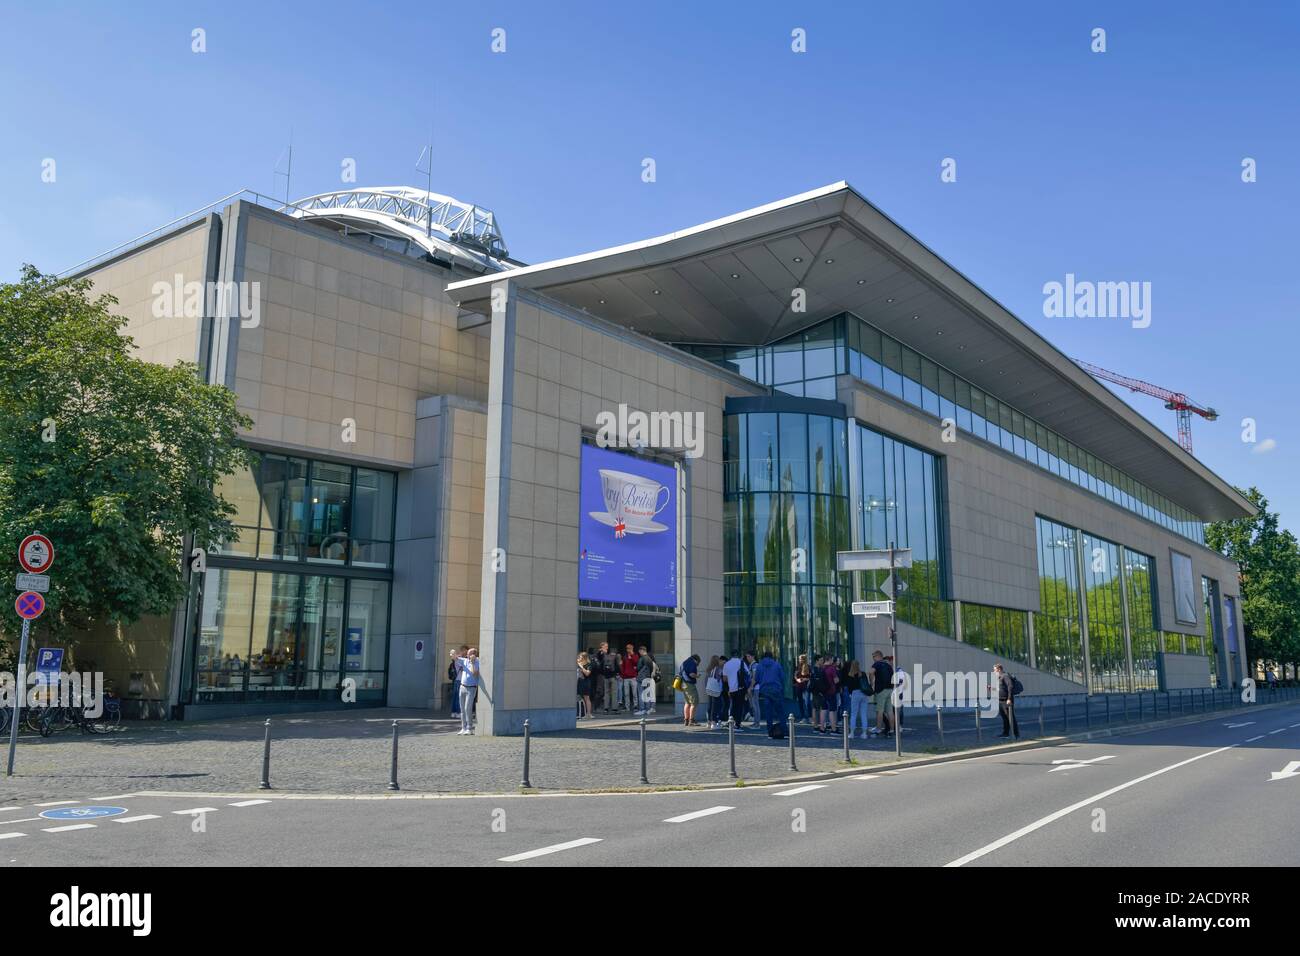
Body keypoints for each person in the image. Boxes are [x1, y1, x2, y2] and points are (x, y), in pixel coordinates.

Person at [751, 649, 787, 736]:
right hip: (776, 690)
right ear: (772, 656)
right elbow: (782, 677)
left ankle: (770, 732)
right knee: (780, 711)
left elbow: (757, 679)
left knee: (768, 712)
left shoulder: (759, 666)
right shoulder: (777, 664)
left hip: (765, 691)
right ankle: (784, 731)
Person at [456, 648, 480, 735]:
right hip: (462, 687)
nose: (467, 656)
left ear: (474, 655)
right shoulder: (465, 661)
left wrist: (473, 663)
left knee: (467, 708)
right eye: (467, 654)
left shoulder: (478, 662)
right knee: (462, 709)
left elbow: (475, 673)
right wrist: (453, 654)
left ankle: (470, 728)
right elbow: (455, 658)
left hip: (471, 688)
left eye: (469, 654)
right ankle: (463, 727)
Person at [846, 660, 872, 738]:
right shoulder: (863, 674)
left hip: (855, 694)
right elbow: (866, 684)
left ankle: (852, 733)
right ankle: (864, 734)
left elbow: (849, 688)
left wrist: (851, 694)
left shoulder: (850, 675)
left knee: (853, 714)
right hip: (864, 694)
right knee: (863, 714)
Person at [992, 663, 1019, 739]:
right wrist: (991, 688)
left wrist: (1009, 698)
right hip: (1000, 701)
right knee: (1004, 718)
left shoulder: (1005, 676)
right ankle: (1005, 733)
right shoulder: (999, 678)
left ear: (999, 669)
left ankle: (1016, 734)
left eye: (994, 670)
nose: (994, 672)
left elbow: (1010, 686)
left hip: (1006, 701)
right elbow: (999, 689)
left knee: (1010, 717)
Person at [722, 650, 748, 729]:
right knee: (739, 706)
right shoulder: (741, 663)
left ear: (731, 655)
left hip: (731, 688)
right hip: (741, 688)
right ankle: (738, 723)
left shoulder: (727, 664)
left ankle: (731, 722)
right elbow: (747, 674)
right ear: (738, 655)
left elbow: (724, 679)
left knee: (732, 705)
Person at [870, 650, 894, 737]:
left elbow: (871, 672)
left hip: (881, 690)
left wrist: (871, 682)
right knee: (890, 711)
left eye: (874, 656)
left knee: (879, 711)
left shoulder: (877, 664)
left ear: (878, 656)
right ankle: (891, 730)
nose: (873, 659)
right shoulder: (888, 665)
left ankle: (878, 729)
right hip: (889, 689)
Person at [704, 655, 727, 728]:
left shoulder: (709, 669)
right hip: (715, 690)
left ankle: (709, 722)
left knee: (710, 705)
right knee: (716, 706)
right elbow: (719, 679)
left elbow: (706, 679)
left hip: (709, 689)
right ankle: (714, 722)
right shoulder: (718, 669)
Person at [819, 656, 840, 735]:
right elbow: (836, 680)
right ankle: (833, 729)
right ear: (830, 659)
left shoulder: (821, 668)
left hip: (823, 691)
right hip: (831, 691)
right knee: (832, 710)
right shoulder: (832, 668)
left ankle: (822, 728)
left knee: (823, 709)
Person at [678, 653, 701, 726]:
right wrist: (697, 676)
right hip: (689, 684)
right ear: (696, 660)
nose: (697, 665)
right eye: (698, 663)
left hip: (683, 684)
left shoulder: (684, 662)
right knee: (694, 702)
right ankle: (692, 720)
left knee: (687, 702)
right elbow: (691, 674)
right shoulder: (692, 663)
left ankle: (686, 720)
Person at [744, 651, 764, 728]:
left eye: (749, 656)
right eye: (747, 657)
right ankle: (756, 722)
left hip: (755, 688)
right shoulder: (752, 665)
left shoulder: (755, 665)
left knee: (755, 705)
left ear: (753, 656)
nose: (747, 658)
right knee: (754, 705)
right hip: (754, 687)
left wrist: (750, 687)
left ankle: (757, 723)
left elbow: (754, 677)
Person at [636, 644, 657, 715]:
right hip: (648, 678)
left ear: (641, 651)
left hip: (641, 679)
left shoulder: (642, 658)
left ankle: (642, 709)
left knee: (641, 694)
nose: (639, 653)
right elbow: (651, 669)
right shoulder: (649, 659)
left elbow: (638, 668)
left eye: (639, 651)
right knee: (647, 694)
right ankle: (647, 708)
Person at [600, 642, 621, 713]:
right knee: (614, 692)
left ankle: (606, 708)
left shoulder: (602, 656)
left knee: (606, 693)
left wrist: (603, 673)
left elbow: (600, 666)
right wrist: (618, 674)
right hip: (613, 677)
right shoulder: (614, 656)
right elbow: (618, 666)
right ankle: (614, 708)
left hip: (606, 676)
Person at [619, 643, 639, 712]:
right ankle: (627, 707)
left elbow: (637, 663)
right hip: (626, 677)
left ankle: (635, 706)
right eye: (627, 648)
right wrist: (622, 675)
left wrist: (631, 657)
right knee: (626, 694)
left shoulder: (635, 656)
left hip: (633, 677)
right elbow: (622, 666)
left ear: (632, 649)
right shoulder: (625, 657)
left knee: (634, 693)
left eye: (629, 648)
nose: (628, 650)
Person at [793, 654, 811, 723]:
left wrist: (804, 679)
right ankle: (803, 717)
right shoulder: (797, 667)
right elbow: (795, 676)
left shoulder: (808, 667)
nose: (799, 660)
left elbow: (810, 677)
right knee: (800, 702)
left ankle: (809, 717)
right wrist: (797, 679)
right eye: (799, 659)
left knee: (807, 702)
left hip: (805, 686)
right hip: (799, 686)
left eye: (801, 659)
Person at [448, 647, 462, 716]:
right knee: (458, 697)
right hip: (459, 680)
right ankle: (458, 712)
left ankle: (453, 712)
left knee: (455, 697)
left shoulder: (453, 662)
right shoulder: (458, 661)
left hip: (455, 680)